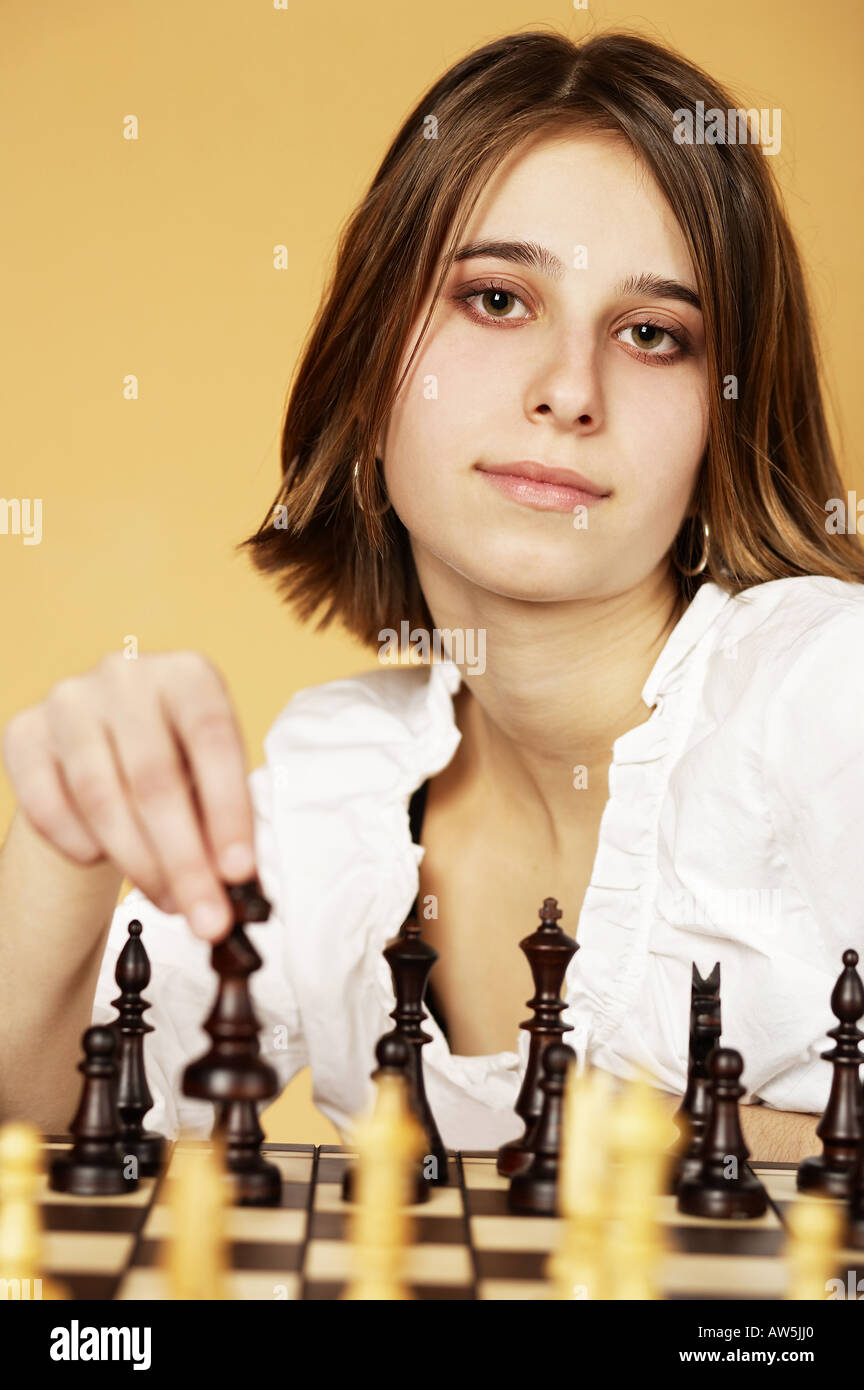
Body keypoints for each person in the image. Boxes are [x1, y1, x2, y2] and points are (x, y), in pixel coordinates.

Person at [2, 31, 862, 1160]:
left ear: (724, 423)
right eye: (498, 299)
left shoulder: (828, 695)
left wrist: (640, 1142)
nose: (569, 390)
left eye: (653, 334)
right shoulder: (341, 786)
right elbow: (47, 1135)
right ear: (368, 375)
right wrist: (61, 845)